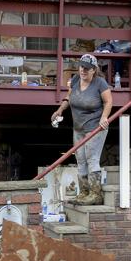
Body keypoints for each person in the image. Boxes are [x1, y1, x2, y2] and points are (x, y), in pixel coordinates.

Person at [51, 53, 113, 205]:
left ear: (93, 70)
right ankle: (84, 192)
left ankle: (95, 194)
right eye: (81, 67)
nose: (83, 71)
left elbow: (109, 101)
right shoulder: (76, 80)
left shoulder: (100, 83)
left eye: (87, 68)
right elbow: (68, 97)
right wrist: (60, 110)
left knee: (91, 158)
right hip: (78, 128)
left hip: (96, 127)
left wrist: (104, 117)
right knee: (81, 159)